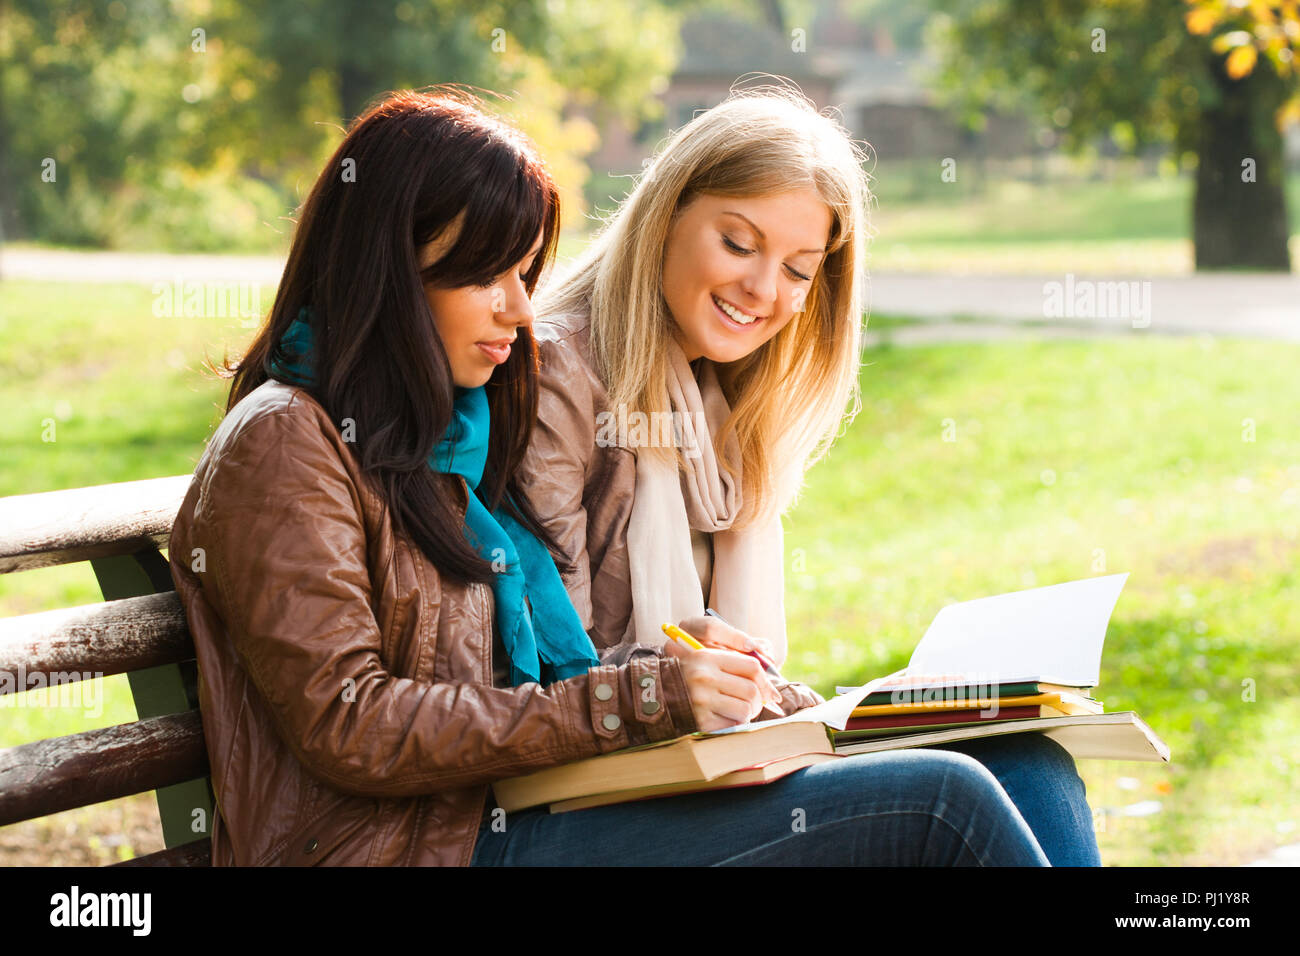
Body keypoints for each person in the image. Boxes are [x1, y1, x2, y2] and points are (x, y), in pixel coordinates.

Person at [168, 87, 1051, 867]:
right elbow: (350, 725)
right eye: (490, 275)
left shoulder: (442, 437)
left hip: (497, 818)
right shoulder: (286, 443)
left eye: (525, 274)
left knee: (1024, 759)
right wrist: (644, 694)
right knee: (944, 803)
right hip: (421, 846)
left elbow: (524, 670)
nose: (522, 310)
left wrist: (693, 673)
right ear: (393, 264)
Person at [515, 84, 1101, 865]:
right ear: (665, 215)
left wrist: (891, 707)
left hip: (707, 767)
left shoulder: (725, 403)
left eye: (798, 269)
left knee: (1029, 758)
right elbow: (547, 669)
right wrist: (687, 681)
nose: (763, 291)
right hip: (583, 799)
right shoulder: (559, 374)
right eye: (737, 243)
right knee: (945, 796)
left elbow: (742, 677)